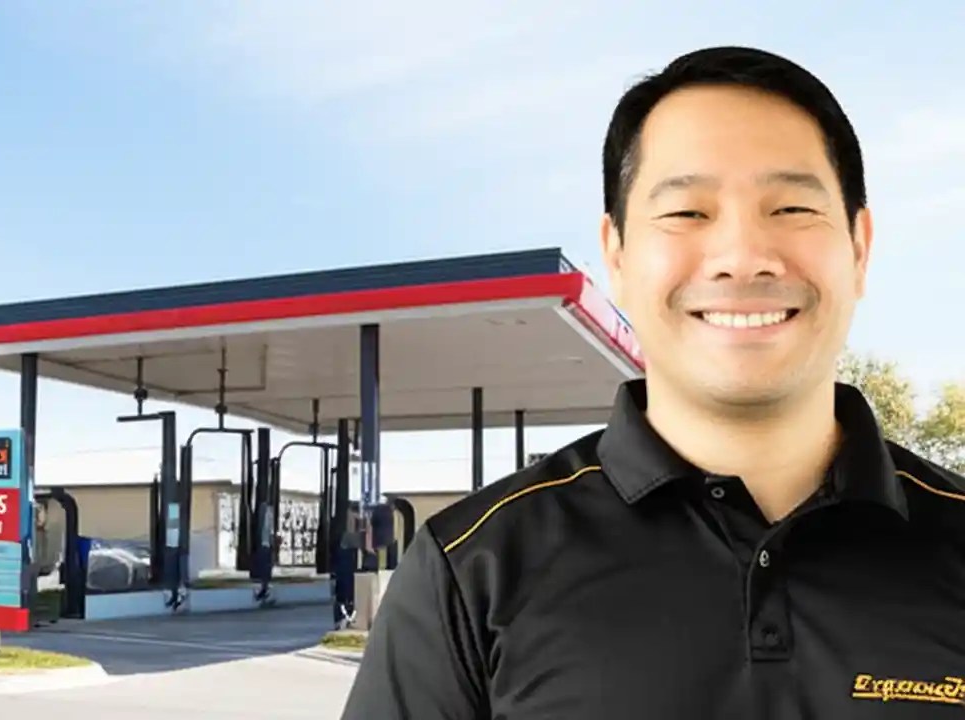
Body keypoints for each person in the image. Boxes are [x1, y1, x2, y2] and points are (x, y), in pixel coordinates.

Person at [340, 45, 965, 719]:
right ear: (617, 254)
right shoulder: (470, 569)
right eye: (687, 213)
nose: (741, 258)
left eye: (790, 209)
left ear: (859, 247)